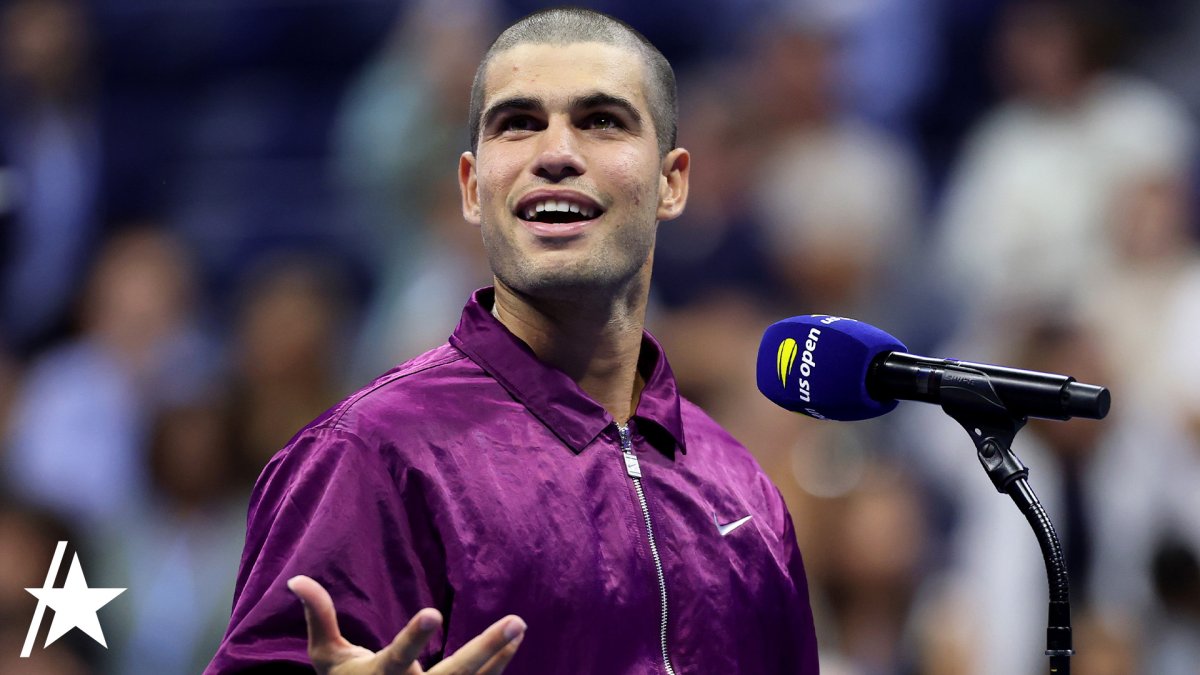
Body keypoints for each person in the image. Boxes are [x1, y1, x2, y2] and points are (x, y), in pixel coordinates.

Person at [206, 8, 819, 674]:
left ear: (672, 182)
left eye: (601, 120)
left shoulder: (744, 492)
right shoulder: (367, 459)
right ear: (472, 187)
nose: (555, 153)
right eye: (519, 123)